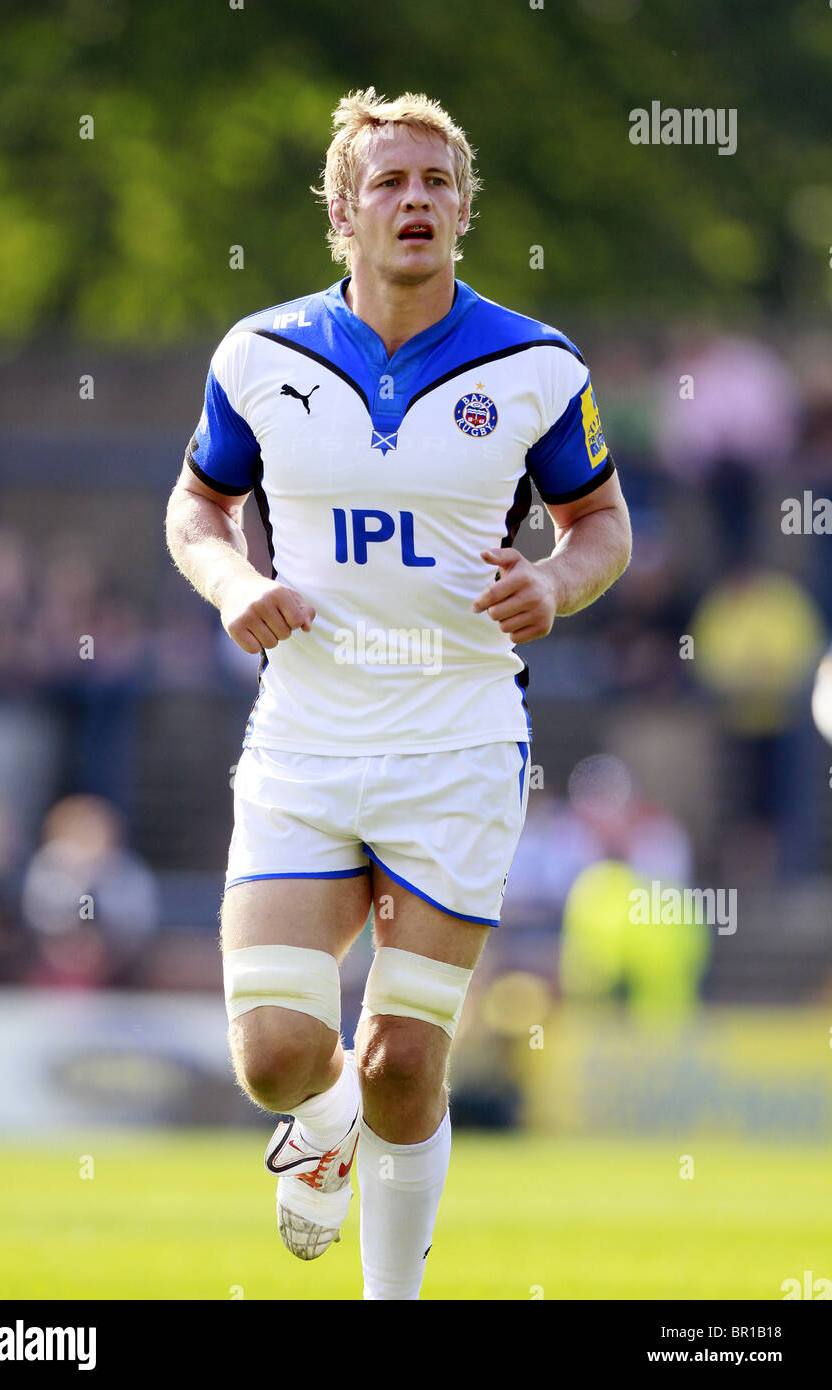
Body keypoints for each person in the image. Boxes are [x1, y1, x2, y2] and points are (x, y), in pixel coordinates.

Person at [165, 87, 631, 1300]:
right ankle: (312, 1133)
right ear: (340, 212)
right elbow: (197, 505)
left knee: (401, 1066)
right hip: (306, 744)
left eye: (436, 182)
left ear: (464, 211)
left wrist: (557, 582)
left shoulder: (535, 365)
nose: (414, 198)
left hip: (460, 748)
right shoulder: (257, 356)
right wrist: (228, 583)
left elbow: (601, 523)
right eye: (389, 181)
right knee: (276, 1057)